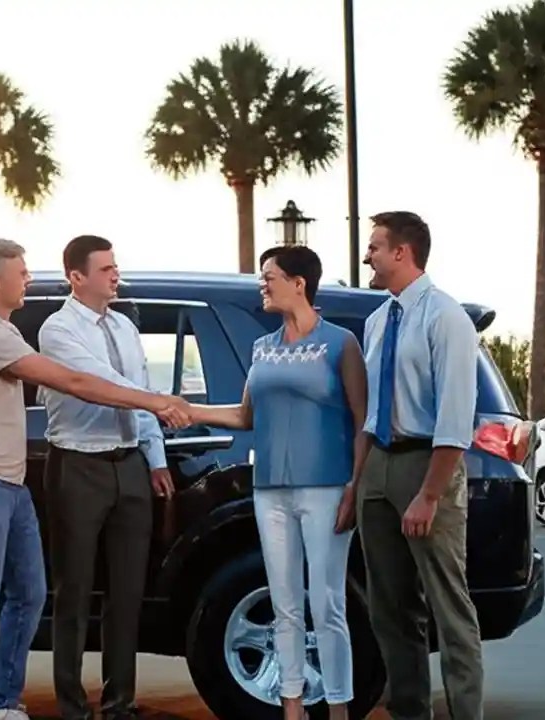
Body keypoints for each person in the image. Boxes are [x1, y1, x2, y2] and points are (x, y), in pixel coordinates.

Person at [0, 237, 197, 720]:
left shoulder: (15, 328)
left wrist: (153, 449)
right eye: (21, 272)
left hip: (13, 482)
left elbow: (129, 383)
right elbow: (79, 382)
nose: (29, 279)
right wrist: (158, 403)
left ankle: (10, 704)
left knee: (32, 594)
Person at [187, 245, 366, 720]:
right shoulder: (261, 347)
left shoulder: (340, 343)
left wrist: (356, 487)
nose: (262, 285)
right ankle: (292, 706)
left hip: (327, 489)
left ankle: (339, 707)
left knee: (327, 604)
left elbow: (362, 420)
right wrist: (188, 410)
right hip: (269, 492)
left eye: (269, 276)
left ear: (298, 283)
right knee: (284, 603)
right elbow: (246, 414)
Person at [35, 235, 174, 720]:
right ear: (77, 277)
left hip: (130, 466)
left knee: (128, 590)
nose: (116, 275)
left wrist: (155, 458)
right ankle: (72, 707)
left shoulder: (124, 328)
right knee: (73, 590)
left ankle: (120, 703)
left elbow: (141, 391)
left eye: (116, 267)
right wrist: (157, 405)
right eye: (106, 269)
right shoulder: (57, 331)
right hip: (78, 466)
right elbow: (100, 384)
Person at [358, 211, 484, 720]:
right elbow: (370, 413)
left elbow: (455, 418)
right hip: (379, 468)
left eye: (374, 247)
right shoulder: (375, 320)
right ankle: (409, 711)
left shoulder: (446, 317)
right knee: (389, 608)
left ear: (401, 253)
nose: (367, 255)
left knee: (449, 608)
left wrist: (430, 494)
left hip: (427, 465)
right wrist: (357, 484)